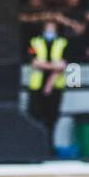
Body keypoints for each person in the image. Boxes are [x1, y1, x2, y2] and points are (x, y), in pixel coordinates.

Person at [27, 18, 69, 153]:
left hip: (56, 86)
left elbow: (63, 65)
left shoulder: (63, 42)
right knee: (35, 116)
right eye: (48, 28)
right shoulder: (35, 42)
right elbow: (34, 62)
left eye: (53, 28)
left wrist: (49, 83)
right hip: (36, 86)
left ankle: (50, 148)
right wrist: (53, 66)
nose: (50, 31)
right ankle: (36, 148)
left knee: (52, 118)